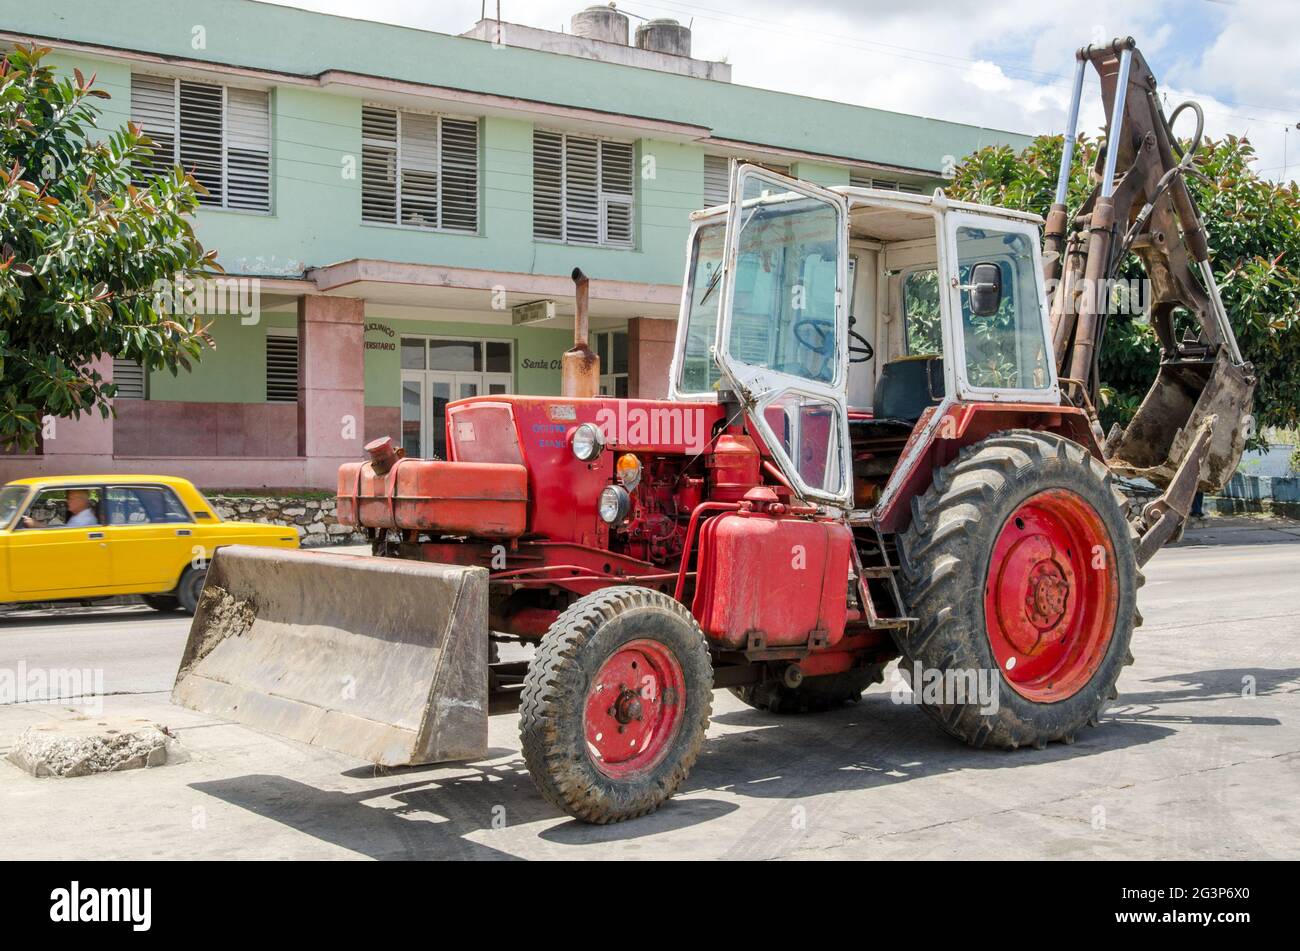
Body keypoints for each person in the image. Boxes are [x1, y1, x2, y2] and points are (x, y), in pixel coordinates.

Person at [21, 489, 99, 529]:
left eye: (71, 498)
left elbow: (65, 537)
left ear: (81, 500)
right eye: (67, 498)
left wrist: (36, 524)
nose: (67, 501)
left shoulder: (85, 520)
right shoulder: (78, 516)